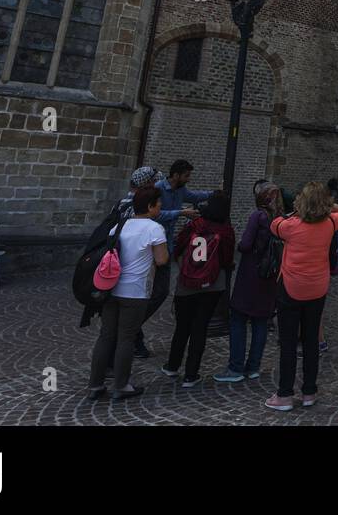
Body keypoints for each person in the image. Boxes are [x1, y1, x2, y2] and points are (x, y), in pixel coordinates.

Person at [265, 181, 338, 411]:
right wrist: (328, 206)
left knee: (289, 342)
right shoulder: (331, 222)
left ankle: (284, 394)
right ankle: (309, 392)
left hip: (291, 287)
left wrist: (299, 210)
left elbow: (274, 224)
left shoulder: (290, 225)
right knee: (312, 341)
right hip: (317, 287)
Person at [88, 184, 167, 403]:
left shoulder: (119, 227)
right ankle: (121, 385)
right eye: (159, 204)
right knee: (126, 338)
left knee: (106, 335)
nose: (161, 207)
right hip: (135, 291)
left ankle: (95, 384)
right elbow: (162, 260)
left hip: (112, 289)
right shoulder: (154, 229)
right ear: (150, 207)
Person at [134, 160, 209, 359]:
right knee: (144, 292)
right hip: (151, 248)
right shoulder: (158, 189)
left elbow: (194, 196)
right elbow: (152, 215)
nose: (188, 179)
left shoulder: (182, 191)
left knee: (161, 292)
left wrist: (215, 194)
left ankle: (133, 326)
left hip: (166, 247)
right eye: (186, 175)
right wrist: (181, 212)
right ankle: (132, 330)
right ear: (175, 175)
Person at [162, 192, 235, 388]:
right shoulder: (226, 230)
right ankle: (191, 374)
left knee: (182, 326)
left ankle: (172, 365)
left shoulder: (195, 225)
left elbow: (178, 247)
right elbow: (227, 260)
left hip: (187, 282)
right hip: (213, 284)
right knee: (200, 327)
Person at [216, 182, 282, 383]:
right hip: (270, 275)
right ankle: (253, 367)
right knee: (261, 321)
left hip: (251, 273)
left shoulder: (258, 216)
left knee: (238, 319)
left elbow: (245, 244)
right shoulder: (279, 219)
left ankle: (235, 368)